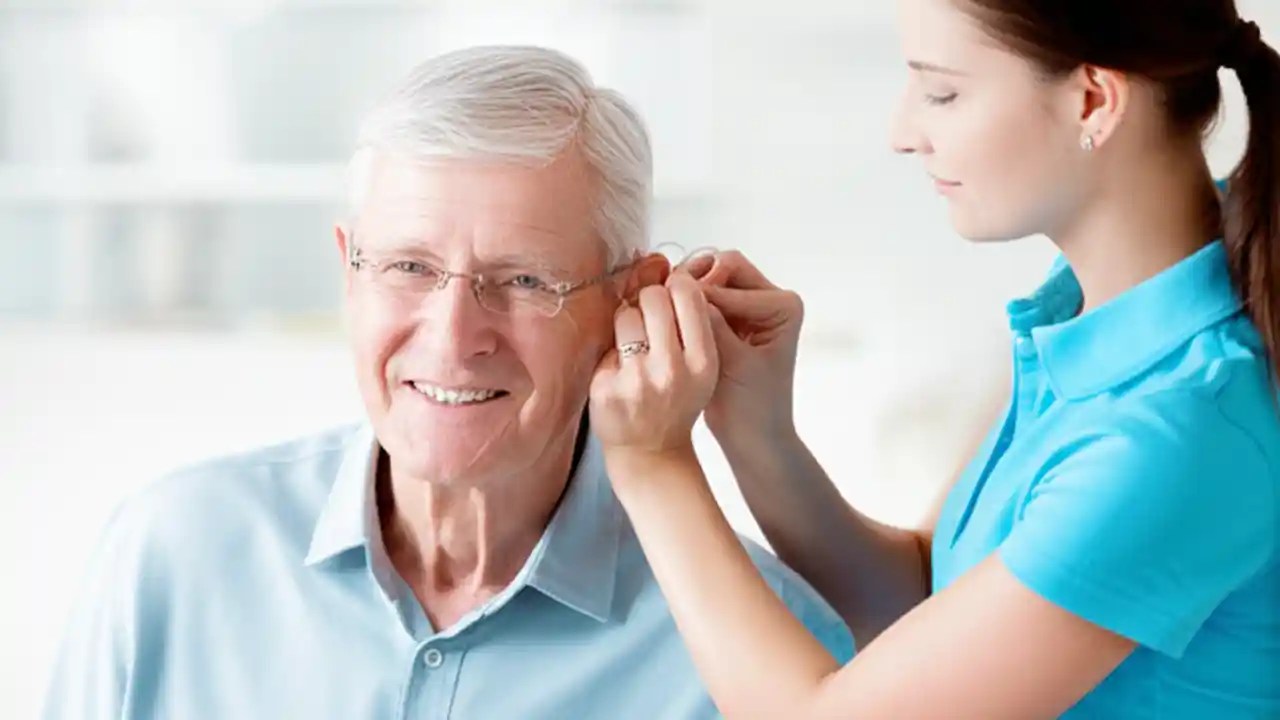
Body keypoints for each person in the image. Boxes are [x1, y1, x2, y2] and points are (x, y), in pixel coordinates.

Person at [42, 46, 852, 720]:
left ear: (627, 303)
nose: (454, 338)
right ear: (349, 273)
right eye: (407, 267)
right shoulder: (175, 552)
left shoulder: (769, 659)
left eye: (526, 280)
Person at [588, 0, 1280, 717]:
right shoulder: (1098, 314)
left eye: (942, 92)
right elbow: (928, 604)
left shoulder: (1178, 430)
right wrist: (756, 432)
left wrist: (650, 464)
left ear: (1094, 102)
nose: (902, 133)